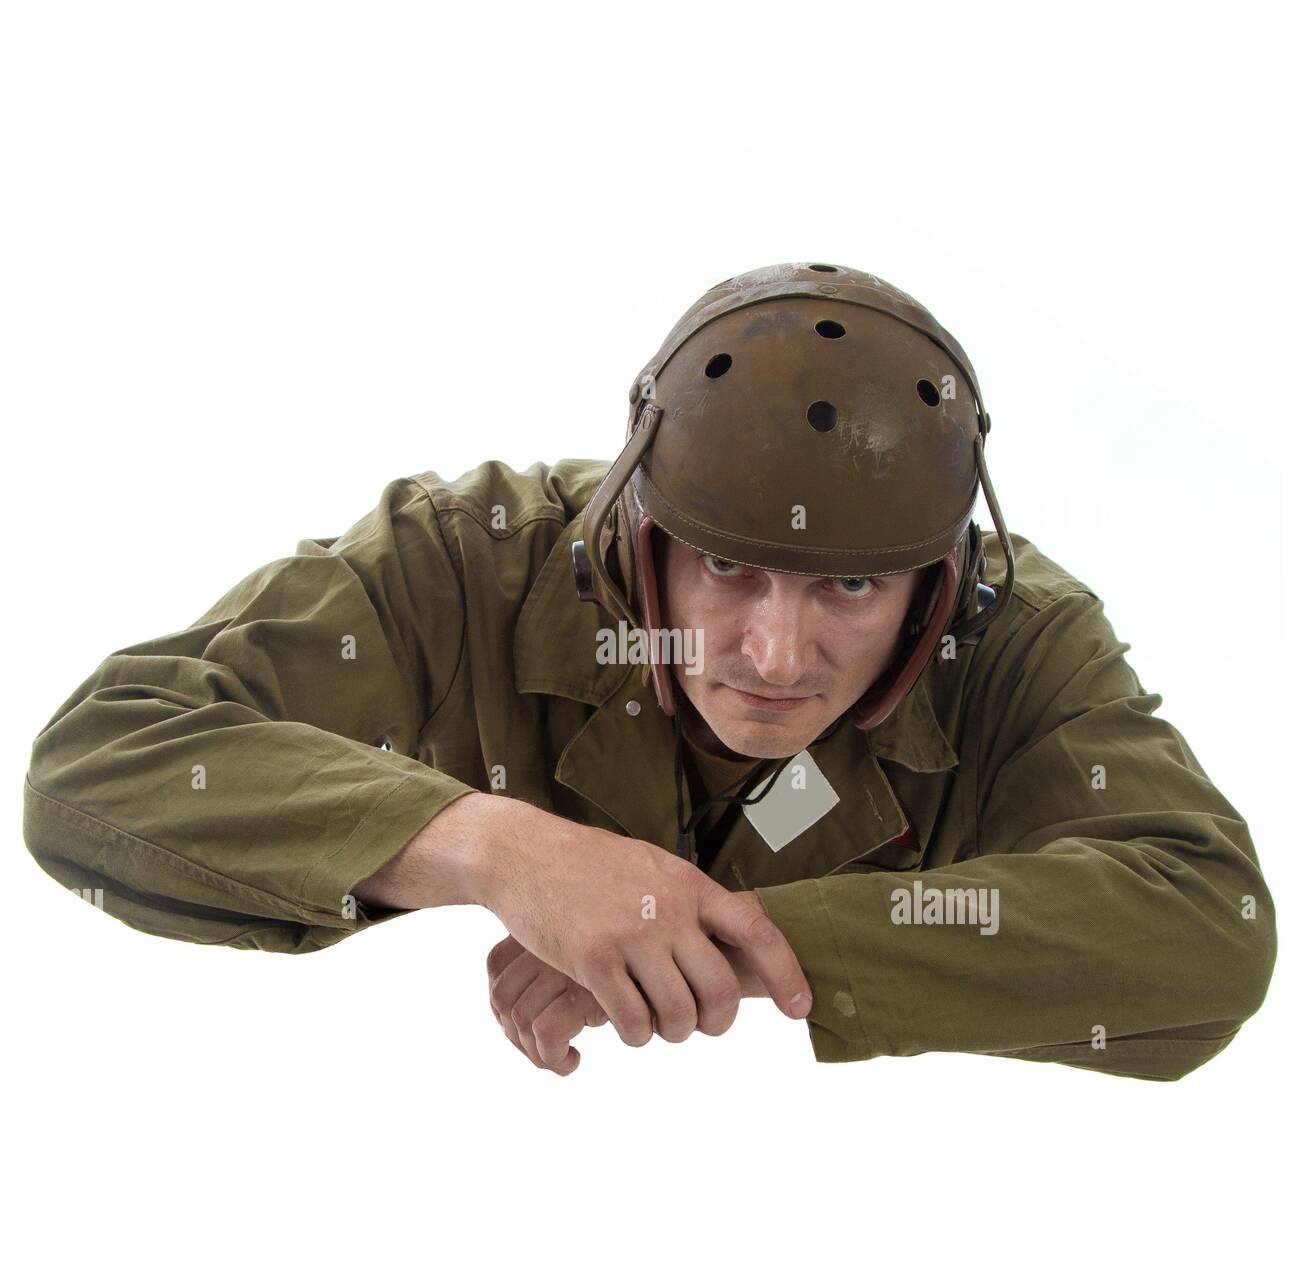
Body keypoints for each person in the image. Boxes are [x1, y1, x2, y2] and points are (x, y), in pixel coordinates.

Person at [22, 262, 1276, 1083]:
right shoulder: (468, 559)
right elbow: (103, 761)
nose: (776, 656)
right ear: (634, 537)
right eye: (727, 568)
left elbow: (1206, 930)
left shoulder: (1011, 633)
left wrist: (729, 938)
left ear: (937, 587)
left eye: (851, 586)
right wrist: (500, 851)